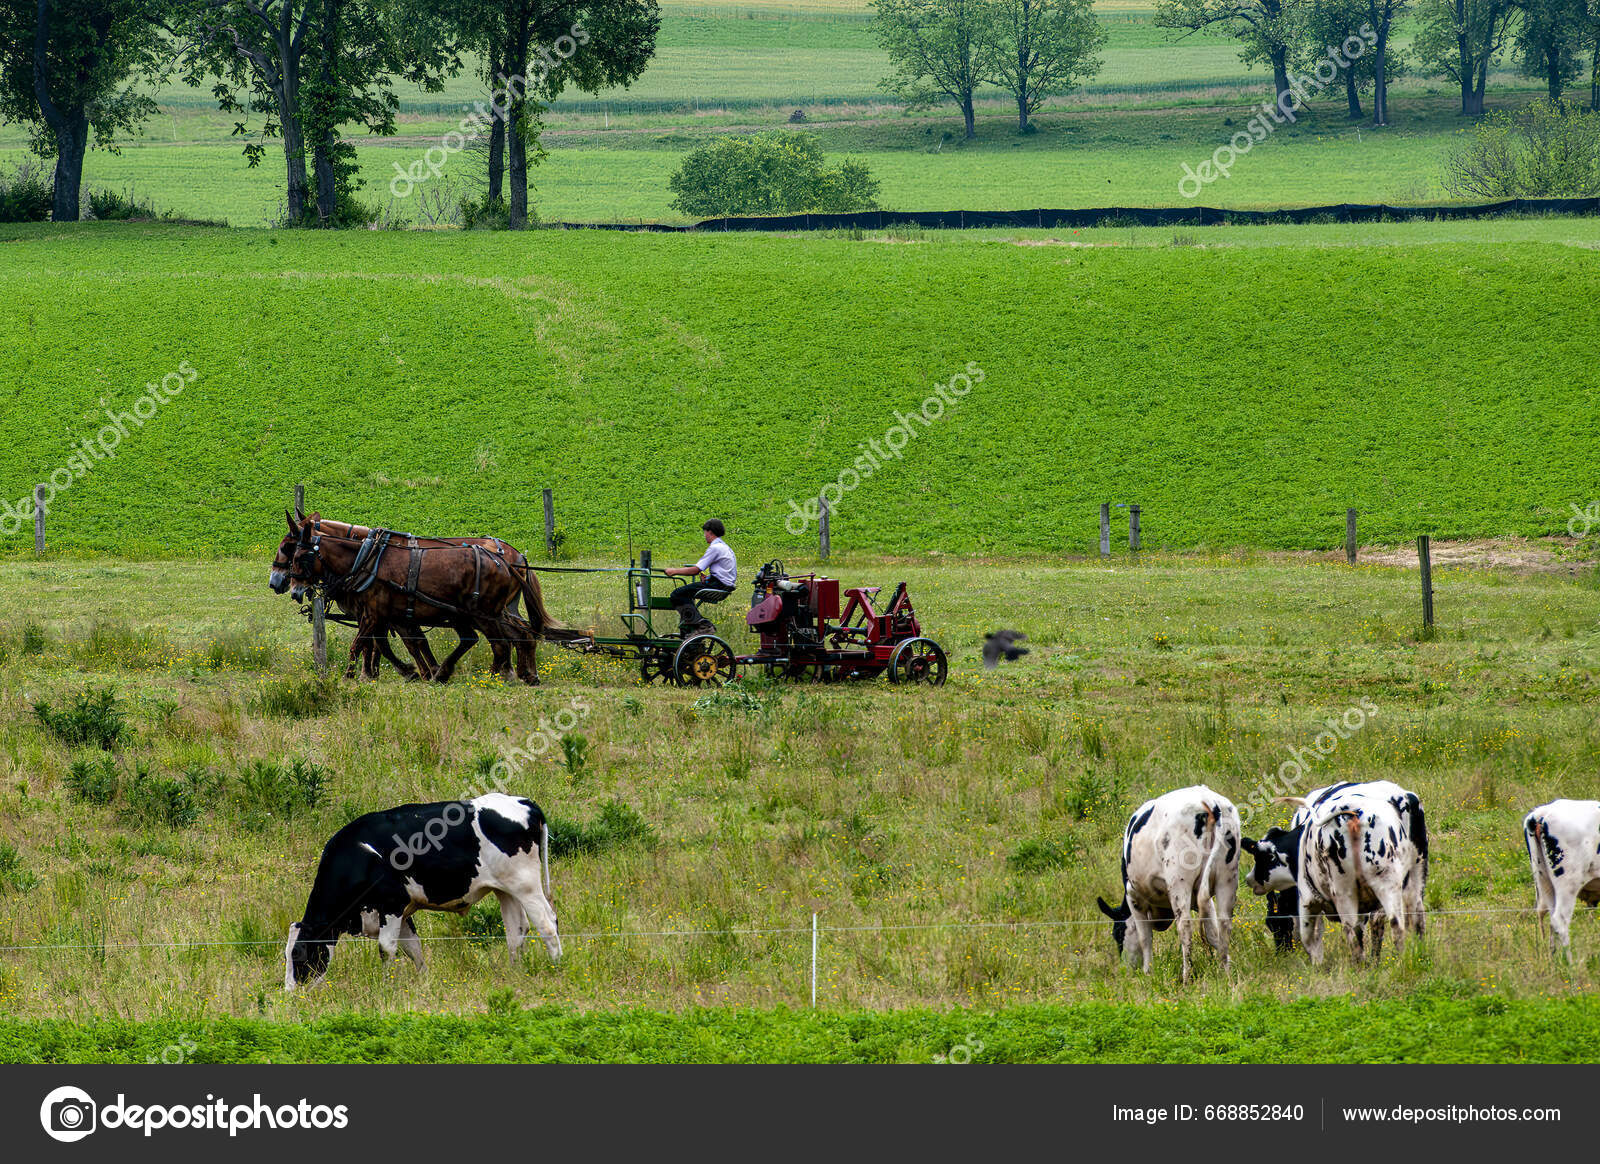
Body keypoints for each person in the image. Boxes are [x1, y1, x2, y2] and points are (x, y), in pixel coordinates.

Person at [662, 519, 737, 635]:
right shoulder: (724, 547)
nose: (704, 535)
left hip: (719, 585)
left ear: (710, 532)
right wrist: (708, 579)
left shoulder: (715, 548)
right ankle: (690, 625)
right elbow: (723, 571)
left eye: (705, 532)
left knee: (676, 594)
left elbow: (695, 570)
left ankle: (702, 625)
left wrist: (674, 571)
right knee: (685, 594)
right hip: (722, 584)